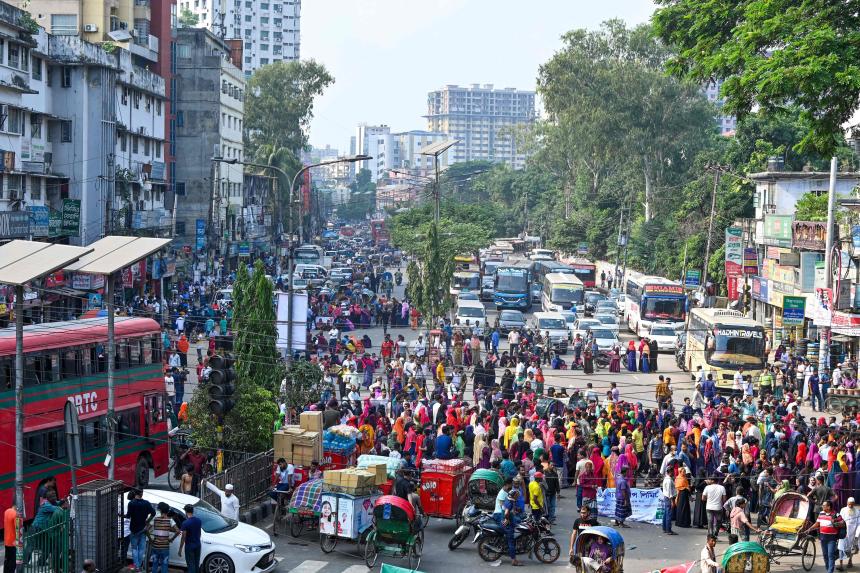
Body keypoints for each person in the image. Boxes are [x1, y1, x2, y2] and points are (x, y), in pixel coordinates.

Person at [805, 499, 844, 573]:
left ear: (828, 507)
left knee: (830, 555)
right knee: (825, 556)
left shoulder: (836, 514)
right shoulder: (821, 513)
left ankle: (830, 571)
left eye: (824, 505)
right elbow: (817, 524)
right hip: (823, 538)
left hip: (832, 539)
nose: (822, 506)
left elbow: (843, 523)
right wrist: (809, 529)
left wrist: (835, 522)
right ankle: (828, 569)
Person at [125, 489, 156, 570]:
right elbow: (153, 513)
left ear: (135, 493)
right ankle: (139, 566)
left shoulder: (131, 503)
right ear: (142, 493)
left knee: (134, 548)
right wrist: (147, 521)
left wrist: (122, 516)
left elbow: (128, 516)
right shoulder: (146, 503)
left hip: (134, 529)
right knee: (142, 549)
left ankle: (137, 566)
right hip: (143, 529)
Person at [148, 502, 179, 573]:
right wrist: (171, 539)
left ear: (160, 510)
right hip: (165, 547)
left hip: (155, 546)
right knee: (164, 565)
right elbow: (177, 531)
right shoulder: (170, 520)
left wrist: (151, 539)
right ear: (167, 511)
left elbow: (146, 530)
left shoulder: (155, 519)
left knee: (155, 564)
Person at [502, 487, 524, 566]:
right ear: (514, 496)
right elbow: (506, 513)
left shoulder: (509, 500)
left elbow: (512, 510)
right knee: (511, 542)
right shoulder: (510, 503)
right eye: (517, 495)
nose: (518, 496)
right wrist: (507, 519)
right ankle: (513, 560)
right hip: (508, 525)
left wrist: (518, 510)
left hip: (511, 521)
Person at [179, 504, 202, 573]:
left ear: (186, 512)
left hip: (189, 546)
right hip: (198, 544)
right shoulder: (198, 520)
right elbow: (199, 533)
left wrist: (180, 549)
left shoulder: (185, 523)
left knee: (191, 565)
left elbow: (183, 537)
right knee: (196, 563)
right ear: (192, 511)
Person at [839, 497, 859, 570]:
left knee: (851, 548)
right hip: (843, 533)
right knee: (841, 548)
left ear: (854, 504)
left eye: (852, 504)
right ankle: (841, 564)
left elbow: (859, 523)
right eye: (849, 504)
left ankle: (850, 561)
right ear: (847, 503)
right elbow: (840, 520)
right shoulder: (843, 510)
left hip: (853, 534)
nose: (850, 505)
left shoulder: (857, 511)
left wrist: (857, 534)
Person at [661, 468, 677, 535]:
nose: (673, 473)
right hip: (669, 498)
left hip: (666, 497)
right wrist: (672, 501)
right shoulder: (669, 481)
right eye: (672, 471)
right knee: (669, 514)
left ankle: (665, 528)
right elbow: (670, 492)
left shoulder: (666, 479)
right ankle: (668, 529)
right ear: (670, 472)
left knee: (666, 513)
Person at [4, 503, 16, 573]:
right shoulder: (15, 514)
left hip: (7, 541)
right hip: (13, 542)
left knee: (7, 560)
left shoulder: (7, 511)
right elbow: (17, 529)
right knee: (13, 562)